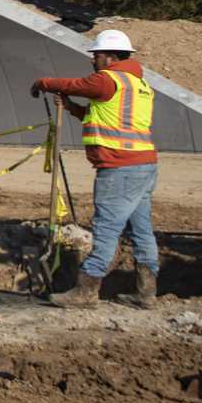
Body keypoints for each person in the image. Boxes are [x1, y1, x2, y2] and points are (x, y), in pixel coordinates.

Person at [31, 29, 158, 308]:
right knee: (141, 230)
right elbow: (99, 116)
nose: (93, 60)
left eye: (96, 55)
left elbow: (76, 84)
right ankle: (146, 292)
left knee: (106, 228)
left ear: (110, 57)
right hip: (143, 164)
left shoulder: (108, 79)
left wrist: (44, 82)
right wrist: (72, 107)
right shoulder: (139, 84)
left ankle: (86, 290)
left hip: (119, 167)